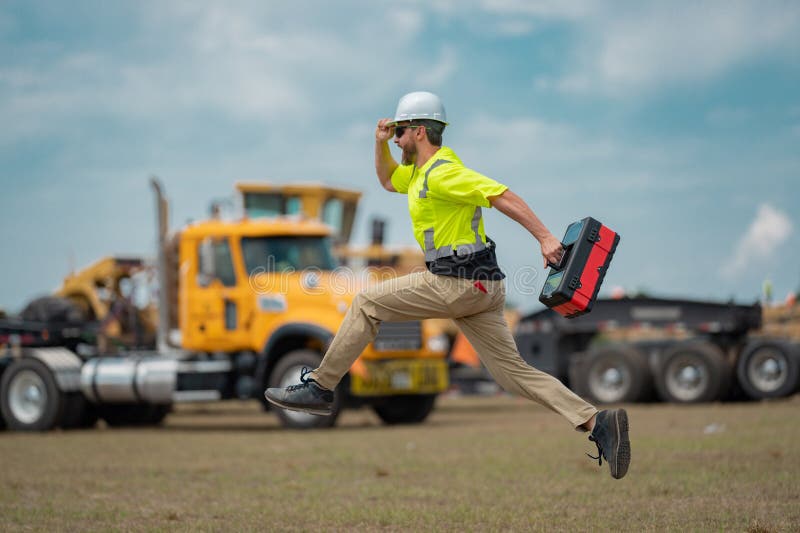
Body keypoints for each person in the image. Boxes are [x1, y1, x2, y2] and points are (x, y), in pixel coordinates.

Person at [265, 91, 631, 479]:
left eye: (400, 132)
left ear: (420, 131)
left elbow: (503, 195)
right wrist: (378, 142)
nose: (396, 139)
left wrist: (543, 237)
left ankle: (320, 388)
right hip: (482, 289)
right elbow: (388, 180)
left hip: (457, 282)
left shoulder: (443, 172)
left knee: (366, 303)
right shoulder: (419, 174)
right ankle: (598, 422)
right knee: (514, 376)